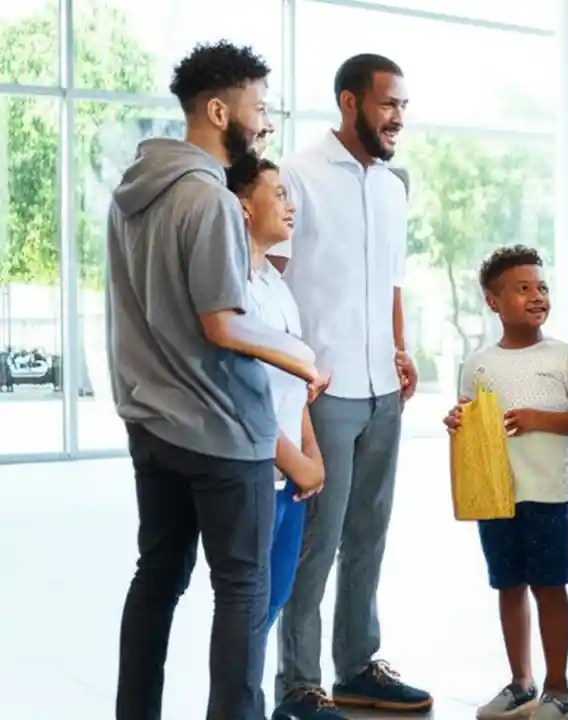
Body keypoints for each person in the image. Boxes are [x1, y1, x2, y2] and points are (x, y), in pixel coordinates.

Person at [108, 41, 323, 720]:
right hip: (222, 432)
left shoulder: (133, 194)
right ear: (217, 109)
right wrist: (301, 354)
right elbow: (224, 324)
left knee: (158, 579)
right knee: (242, 589)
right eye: (258, 108)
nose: (263, 123)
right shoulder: (206, 198)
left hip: (152, 424)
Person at [268, 53, 432, 719]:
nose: (397, 117)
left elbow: (390, 282)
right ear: (348, 102)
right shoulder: (297, 176)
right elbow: (269, 279)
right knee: (318, 541)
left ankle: (358, 664)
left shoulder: (393, 186)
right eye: (387, 104)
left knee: (370, 533)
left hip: (381, 390)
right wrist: (289, 373)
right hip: (323, 390)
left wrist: (399, 348)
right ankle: (298, 683)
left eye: (402, 106)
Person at [444, 245, 568, 720]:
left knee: (549, 586)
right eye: (522, 288)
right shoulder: (477, 364)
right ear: (493, 301)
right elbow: (468, 416)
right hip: (495, 495)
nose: (537, 296)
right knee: (508, 586)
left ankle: (558, 688)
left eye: (542, 287)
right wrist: (456, 418)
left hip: (547, 493)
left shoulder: (567, 358)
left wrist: (540, 418)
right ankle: (521, 683)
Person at [226, 155, 327, 641]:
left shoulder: (275, 284)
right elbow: (240, 390)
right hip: (259, 467)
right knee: (248, 605)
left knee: (275, 596)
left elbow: (295, 387)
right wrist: (293, 461)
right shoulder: (234, 286)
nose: (291, 206)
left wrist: (312, 454)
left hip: (289, 472)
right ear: (244, 205)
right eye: (279, 193)